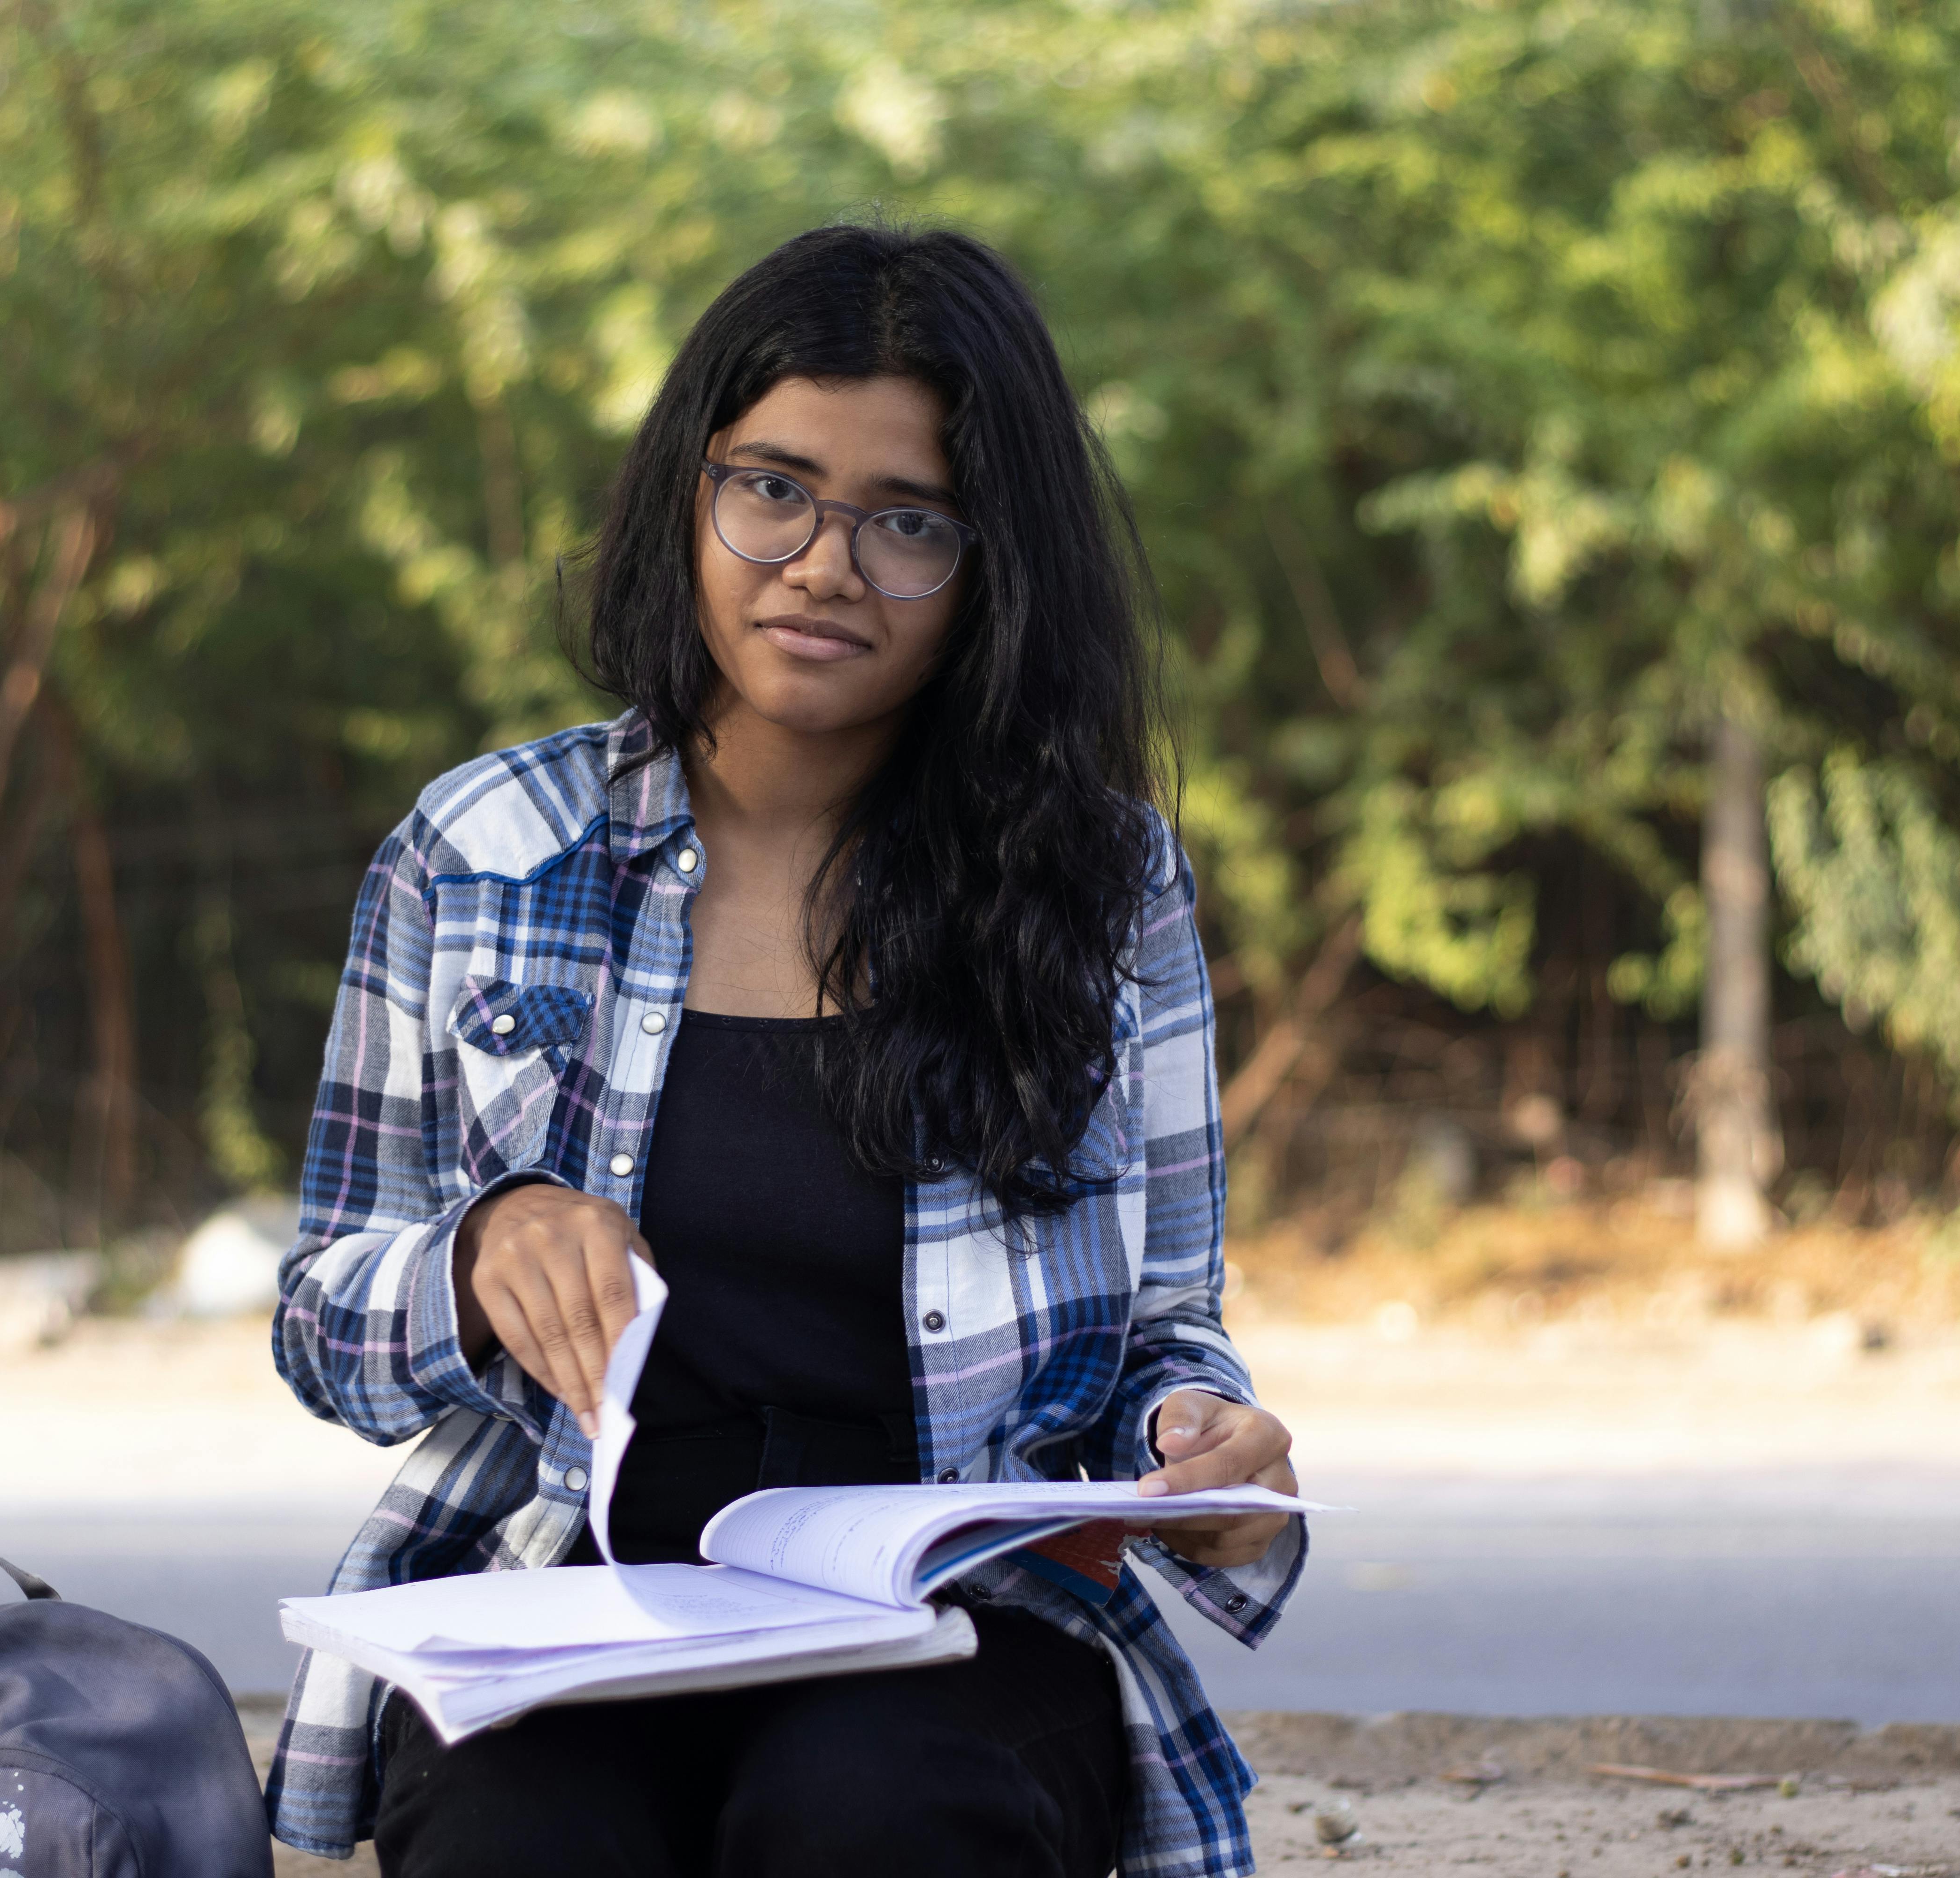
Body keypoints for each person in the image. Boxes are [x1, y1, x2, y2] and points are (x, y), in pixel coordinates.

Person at [266, 223, 1307, 1878]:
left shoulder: (1103, 888)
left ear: (994, 566)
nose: (824, 565)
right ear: (689, 496)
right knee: (518, 1833)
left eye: (909, 521)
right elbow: (323, 1325)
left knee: (871, 1813)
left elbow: (1164, 1335)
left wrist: (1209, 1454)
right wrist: (476, 1254)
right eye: (773, 489)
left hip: (954, 1628)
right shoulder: (477, 851)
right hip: (570, 1604)